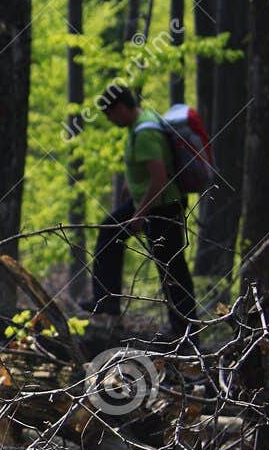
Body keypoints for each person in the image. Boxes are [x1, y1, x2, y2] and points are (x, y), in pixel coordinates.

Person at [85, 86, 199, 337]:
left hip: (162, 207)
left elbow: (159, 178)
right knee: (110, 230)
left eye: (110, 114)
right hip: (150, 202)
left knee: (171, 269)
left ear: (121, 108)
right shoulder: (141, 124)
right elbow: (147, 170)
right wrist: (131, 187)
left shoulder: (145, 132)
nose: (110, 120)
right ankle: (107, 301)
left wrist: (140, 213)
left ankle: (186, 333)